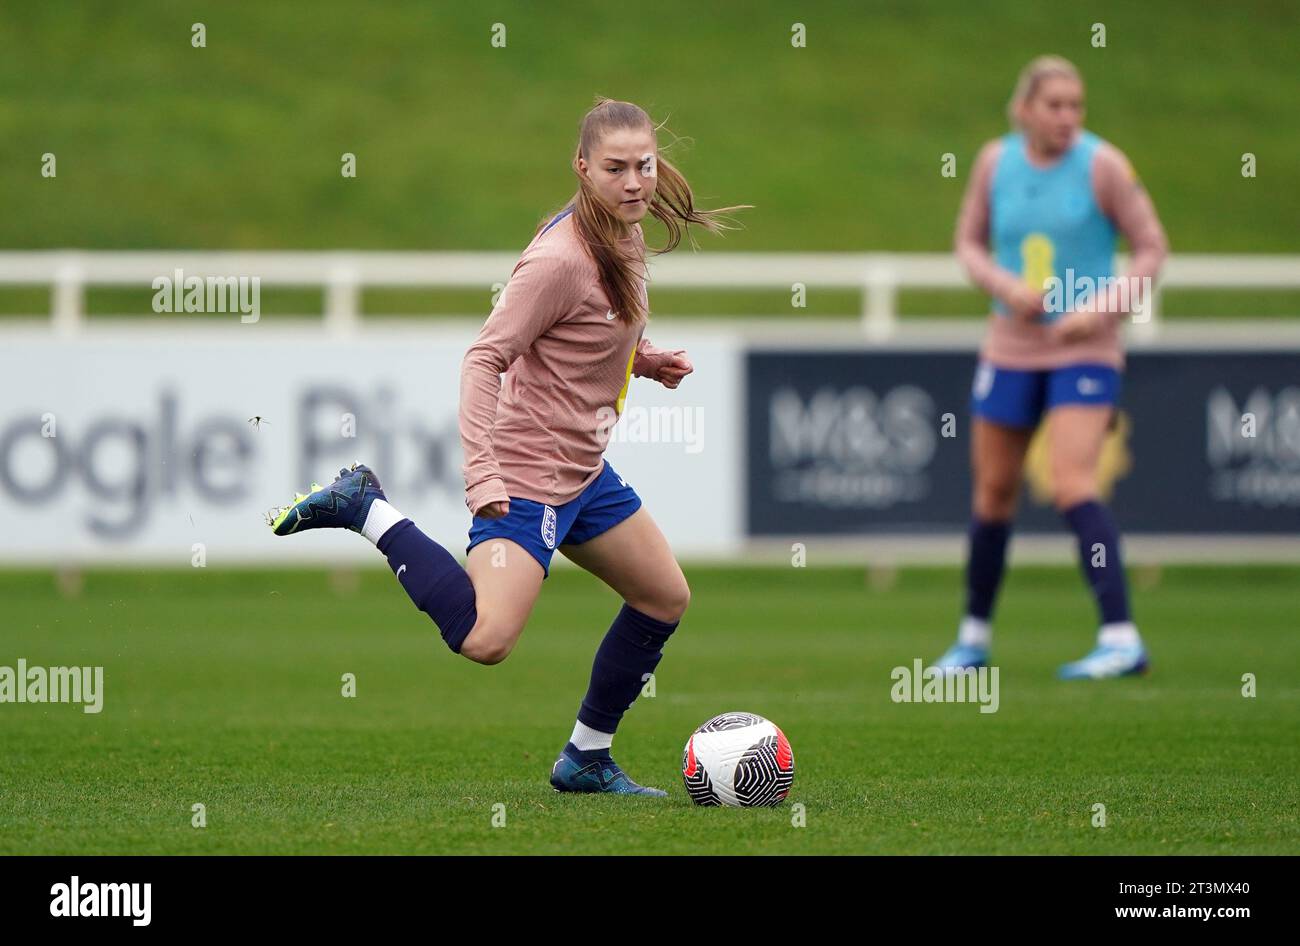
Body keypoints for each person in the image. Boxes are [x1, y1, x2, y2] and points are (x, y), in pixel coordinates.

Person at [269, 98, 747, 793]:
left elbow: (584, 332)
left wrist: (640, 359)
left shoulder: (624, 233)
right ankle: (365, 506)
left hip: (584, 470)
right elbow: (483, 358)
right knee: (486, 640)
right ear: (582, 169)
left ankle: (586, 758)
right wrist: (483, 473)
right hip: (528, 473)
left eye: (644, 165)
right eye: (616, 168)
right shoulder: (557, 259)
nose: (636, 182)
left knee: (663, 597)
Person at [935, 56, 1168, 679]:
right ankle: (973, 638)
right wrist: (1005, 288)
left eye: (1076, 105)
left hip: (1084, 350)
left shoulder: (1103, 165)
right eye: (1055, 104)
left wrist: (1098, 311)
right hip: (1009, 347)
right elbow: (968, 243)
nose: (1067, 117)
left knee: (1072, 483)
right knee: (992, 493)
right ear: (1025, 109)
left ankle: (1120, 638)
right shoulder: (994, 162)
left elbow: (1151, 249)